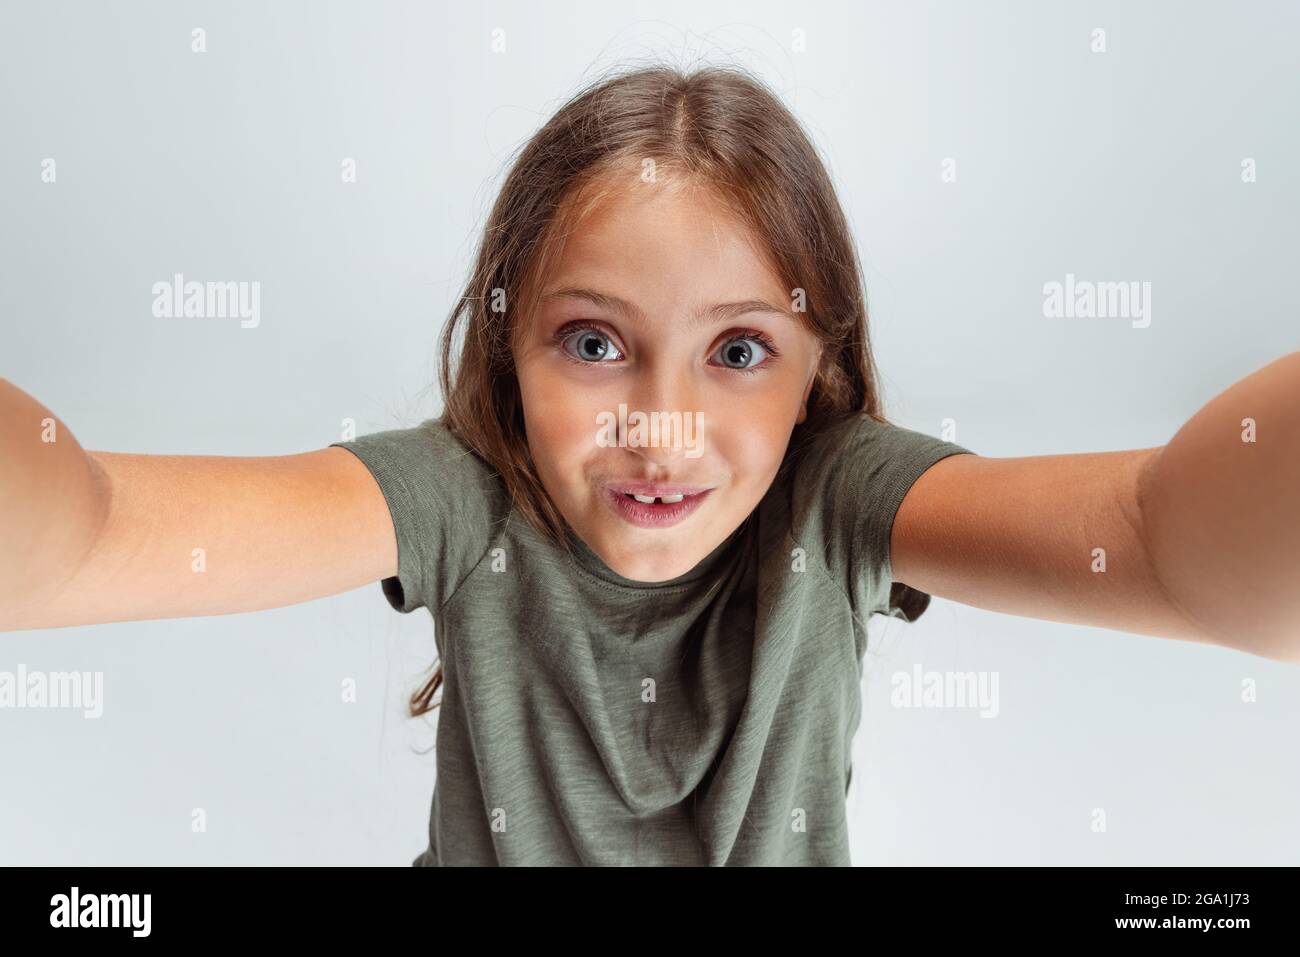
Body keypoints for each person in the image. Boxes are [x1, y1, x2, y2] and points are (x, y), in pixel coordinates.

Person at [3, 65, 1297, 866]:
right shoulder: (462, 497)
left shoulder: (836, 496)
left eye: (738, 349)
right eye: (593, 341)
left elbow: (1156, 538)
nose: (663, 422)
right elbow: (94, 532)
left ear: (817, 371)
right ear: (510, 350)